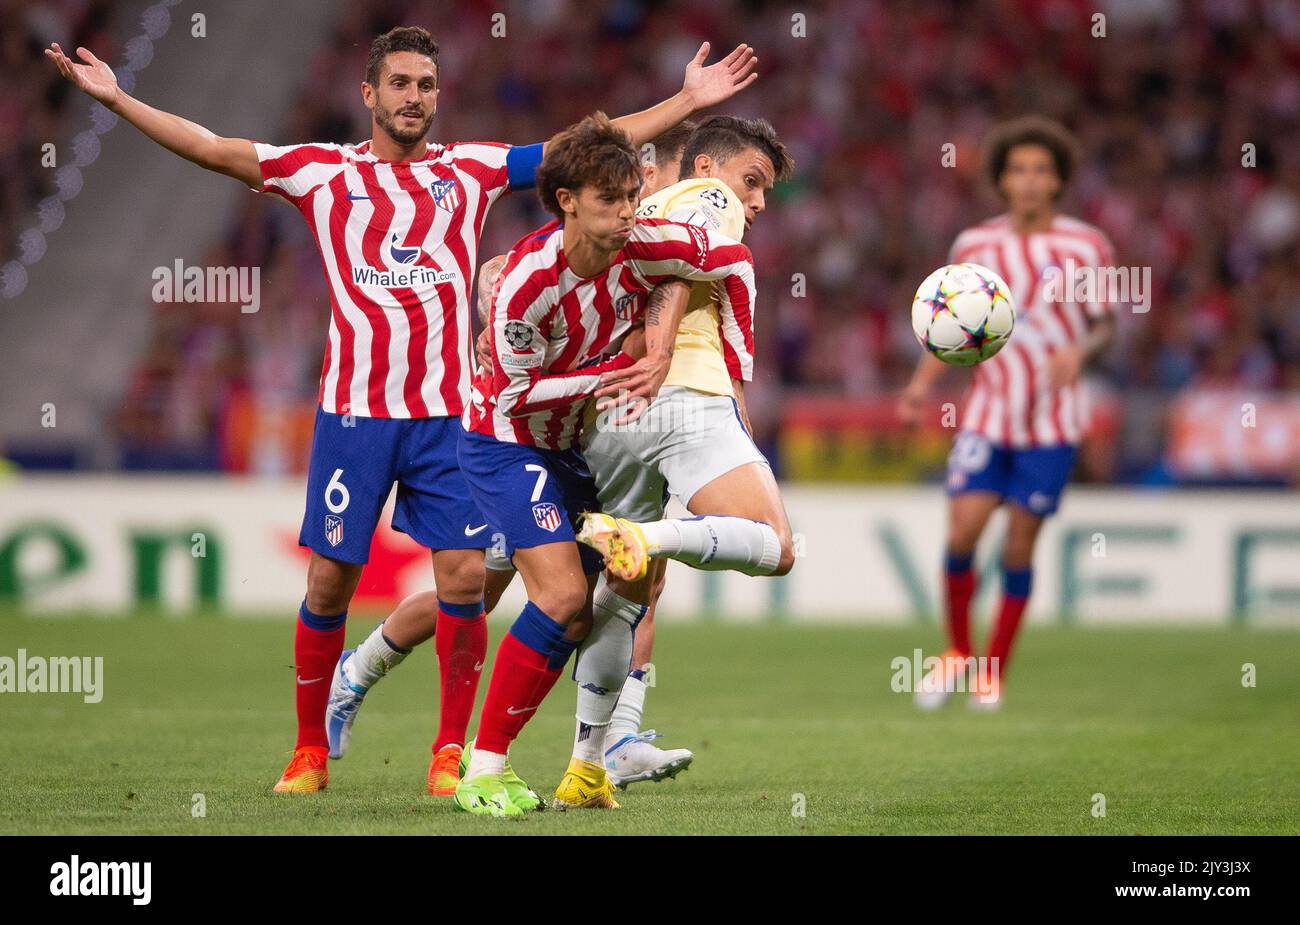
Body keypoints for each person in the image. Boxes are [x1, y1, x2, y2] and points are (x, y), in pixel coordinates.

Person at [45, 28, 758, 793]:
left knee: (463, 580)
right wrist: (118, 100)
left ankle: (449, 753)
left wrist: (684, 101)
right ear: (369, 94)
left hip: (450, 415)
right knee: (330, 583)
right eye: (400, 83)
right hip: (354, 412)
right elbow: (214, 148)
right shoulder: (323, 172)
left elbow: (582, 150)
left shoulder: (469, 169)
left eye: (426, 84)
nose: (414, 97)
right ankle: (308, 750)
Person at [454, 113, 758, 816]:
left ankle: (543, 761)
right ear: (566, 201)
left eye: (630, 198)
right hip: (506, 441)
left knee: (586, 611)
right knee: (559, 596)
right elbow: (514, 395)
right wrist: (609, 375)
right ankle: (483, 768)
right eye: (608, 200)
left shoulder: (643, 242)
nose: (626, 215)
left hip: (573, 449)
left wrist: (733, 374)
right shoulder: (527, 283)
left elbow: (732, 260)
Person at [575, 114, 796, 788]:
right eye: (752, 180)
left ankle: (596, 755)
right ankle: (649, 535)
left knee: (628, 589)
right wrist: (665, 349)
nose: (756, 201)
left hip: (611, 410)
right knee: (775, 545)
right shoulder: (707, 197)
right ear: (706, 166)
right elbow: (683, 263)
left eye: (763, 190)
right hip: (680, 394)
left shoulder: (633, 216)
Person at [897, 116, 1117, 710]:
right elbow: (947, 330)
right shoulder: (974, 247)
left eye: (1041, 170)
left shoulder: (1086, 247)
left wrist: (1080, 351)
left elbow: (1106, 326)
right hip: (986, 416)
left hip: (1053, 421)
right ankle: (956, 653)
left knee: (1019, 548)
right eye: (1019, 170)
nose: (1030, 181)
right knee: (962, 532)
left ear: (1059, 180)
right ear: (1001, 179)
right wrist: (919, 387)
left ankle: (992, 671)